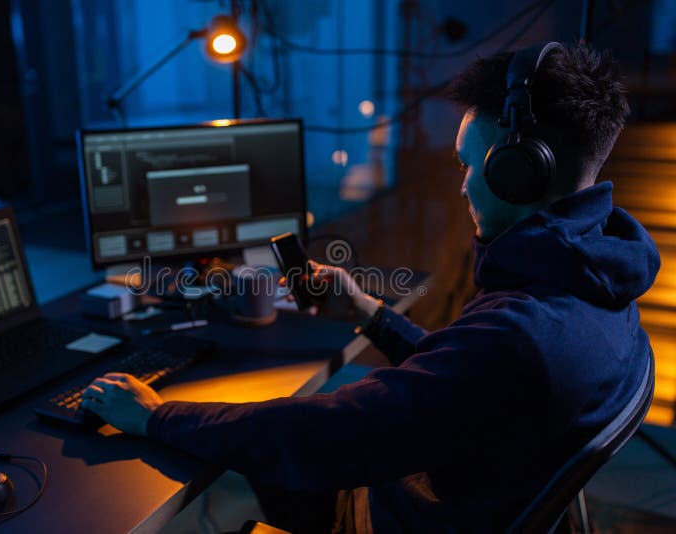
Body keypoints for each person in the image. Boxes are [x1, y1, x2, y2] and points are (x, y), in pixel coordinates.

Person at [80, 43, 660, 533]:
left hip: (404, 512)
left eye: (467, 165)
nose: (461, 187)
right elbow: (466, 382)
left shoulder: (525, 332)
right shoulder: (597, 286)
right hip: (467, 484)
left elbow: (327, 436)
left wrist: (156, 416)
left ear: (518, 170)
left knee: (201, 485)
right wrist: (373, 314)